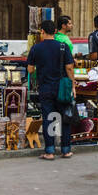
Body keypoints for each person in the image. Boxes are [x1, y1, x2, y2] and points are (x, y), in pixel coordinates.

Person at [27, 19, 76, 161]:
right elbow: (69, 67)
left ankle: (49, 151)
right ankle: (66, 150)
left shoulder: (36, 48)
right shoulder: (63, 46)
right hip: (62, 88)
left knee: (49, 118)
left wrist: (40, 71)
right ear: (55, 31)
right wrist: (72, 85)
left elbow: (30, 69)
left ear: (42, 31)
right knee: (65, 117)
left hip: (46, 88)